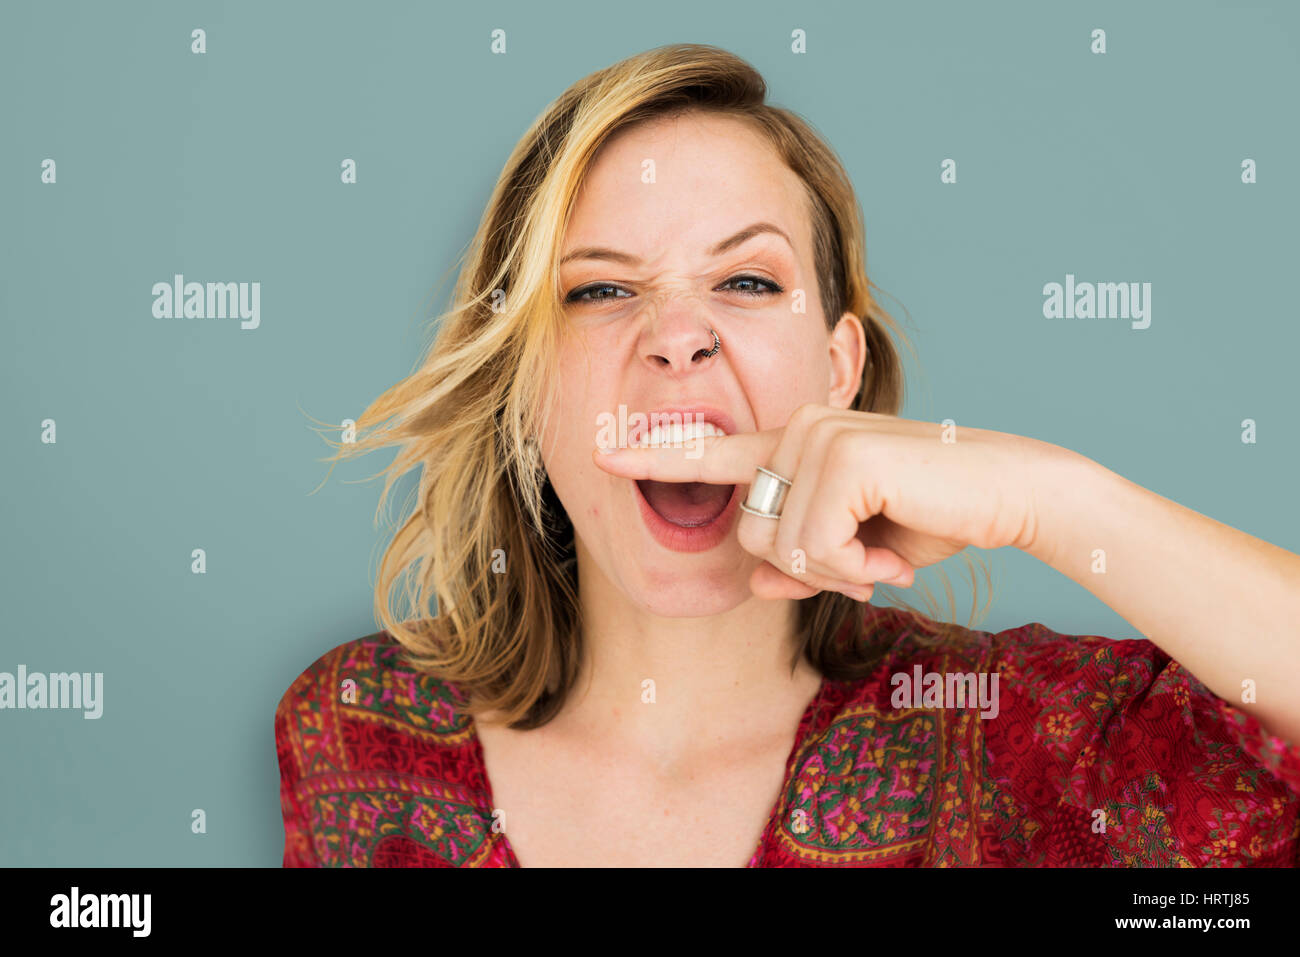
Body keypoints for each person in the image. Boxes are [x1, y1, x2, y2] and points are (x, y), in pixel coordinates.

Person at [275, 43, 1300, 867]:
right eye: (597, 289)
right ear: (520, 386)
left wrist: (1051, 499)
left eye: (749, 283)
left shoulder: (1013, 738)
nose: (677, 335)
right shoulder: (359, 731)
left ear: (837, 369)